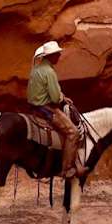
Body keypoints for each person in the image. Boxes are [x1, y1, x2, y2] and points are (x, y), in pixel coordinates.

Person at [27, 40, 87, 178]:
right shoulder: (49, 72)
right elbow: (54, 98)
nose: (59, 56)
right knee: (73, 133)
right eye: (57, 54)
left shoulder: (36, 68)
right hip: (46, 109)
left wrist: (62, 96)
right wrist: (61, 98)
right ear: (51, 56)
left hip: (34, 107)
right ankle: (67, 169)